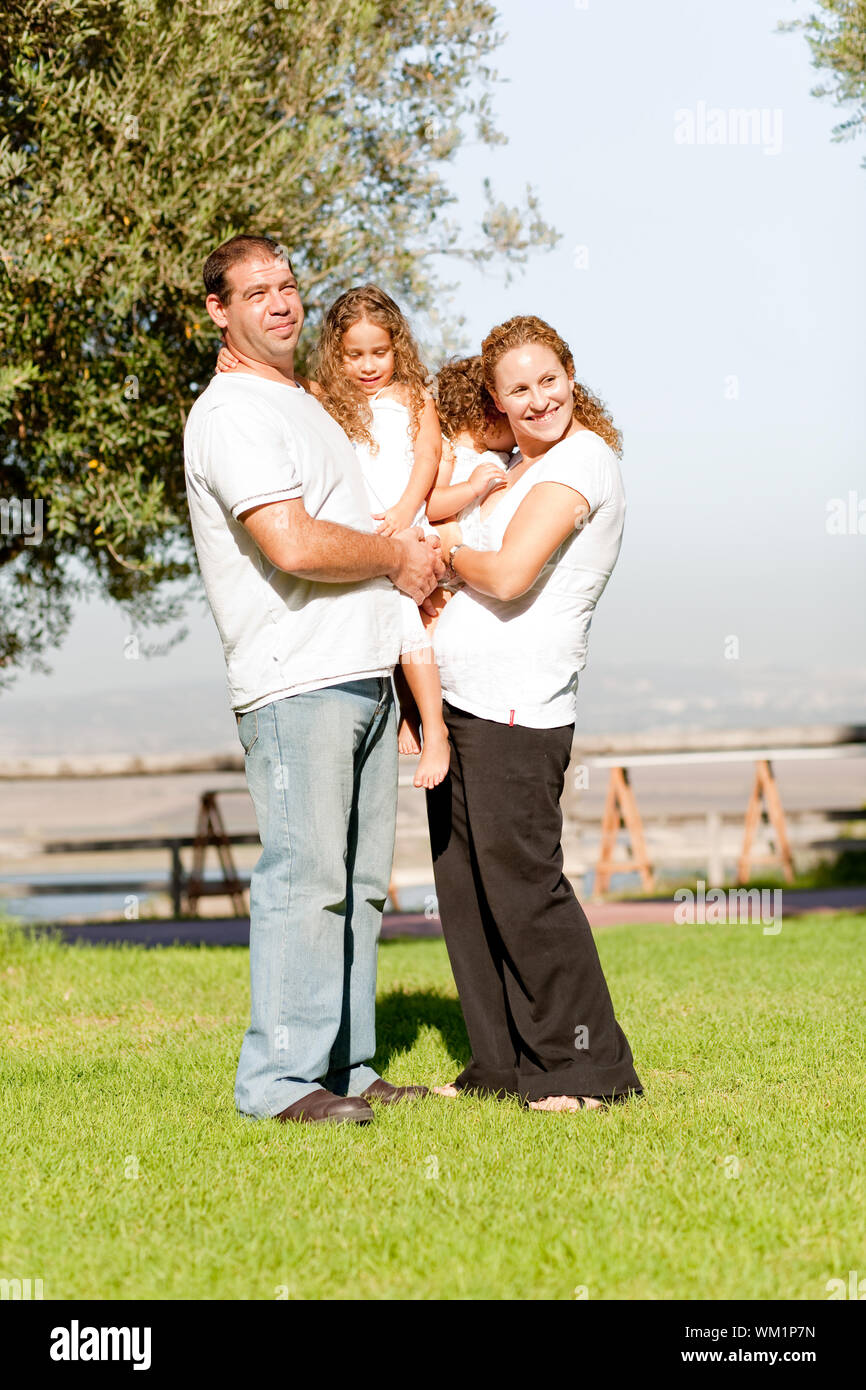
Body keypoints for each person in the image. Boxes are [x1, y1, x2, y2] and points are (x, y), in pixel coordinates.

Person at [183, 234, 443, 1126]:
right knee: (306, 879)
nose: (282, 302)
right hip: (297, 680)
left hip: (361, 671)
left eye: (288, 285)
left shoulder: (304, 404)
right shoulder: (231, 414)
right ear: (219, 311)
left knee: (362, 884)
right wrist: (396, 559)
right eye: (257, 292)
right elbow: (291, 543)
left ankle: (348, 1065)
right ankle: (281, 1084)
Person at [426, 315, 643, 1113]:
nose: (538, 396)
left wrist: (445, 554)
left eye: (548, 379)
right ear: (496, 398)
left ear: (571, 374)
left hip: (519, 706)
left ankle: (584, 1068)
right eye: (518, 387)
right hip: (460, 705)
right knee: (466, 888)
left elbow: (512, 574)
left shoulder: (582, 461)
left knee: (524, 887)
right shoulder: (515, 465)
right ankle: (501, 1064)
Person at [217, 286, 451, 790]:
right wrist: (237, 363)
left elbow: (428, 456)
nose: (368, 366)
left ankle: (434, 729)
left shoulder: (413, 396)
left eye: (380, 353)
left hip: (404, 523)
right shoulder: (326, 397)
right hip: (366, 534)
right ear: (336, 354)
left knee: (417, 625)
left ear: (398, 348)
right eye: (354, 355)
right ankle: (405, 711)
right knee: (389, 620)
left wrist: (407, 510)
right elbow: (285, 389)